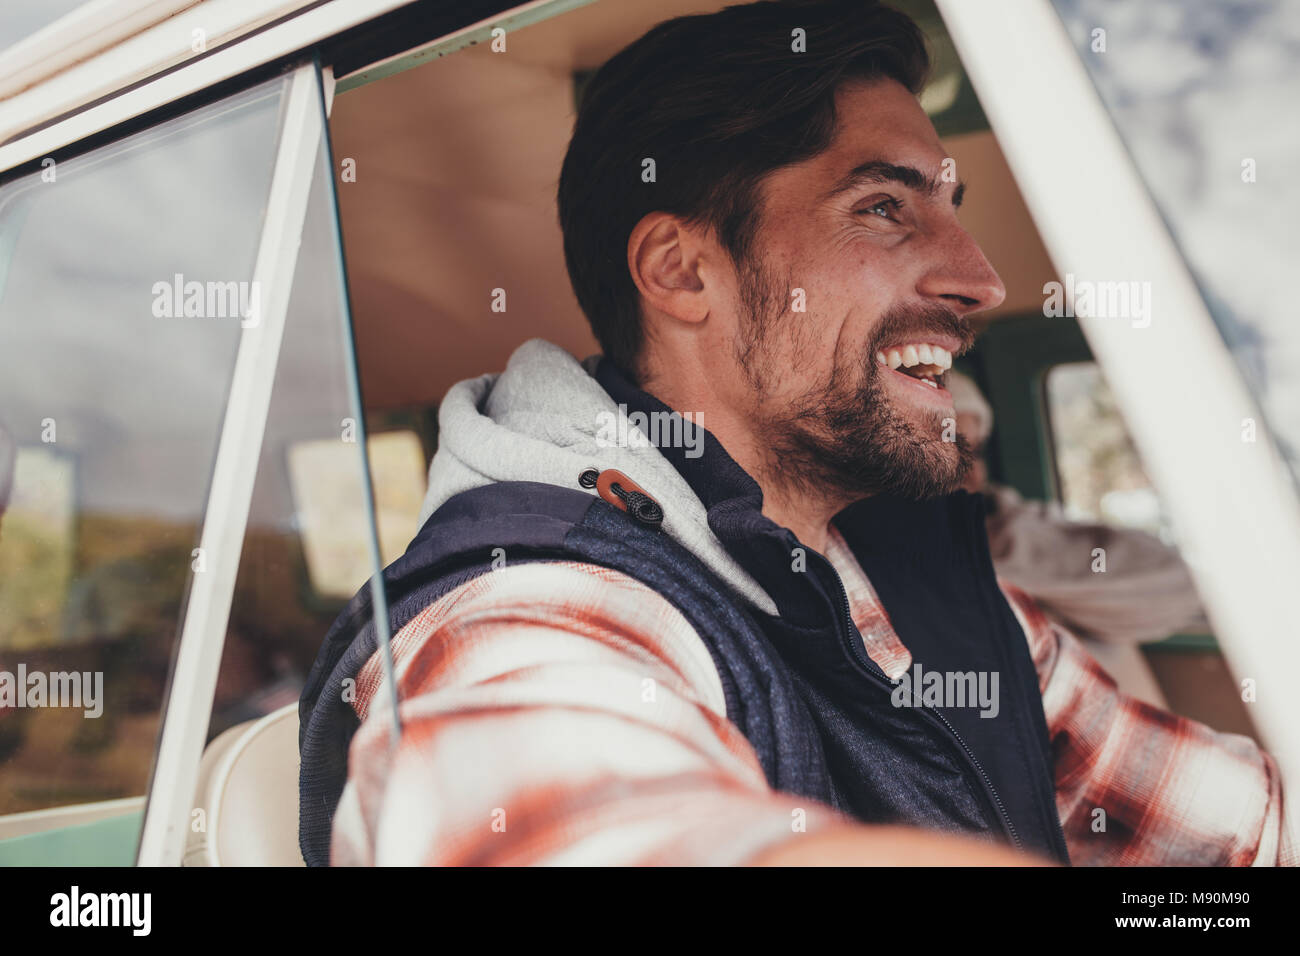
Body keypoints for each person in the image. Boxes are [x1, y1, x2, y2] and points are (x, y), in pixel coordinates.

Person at [299, 0, 1293, 866]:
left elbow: (1227, 826)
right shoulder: (525, 604)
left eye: (951, 205)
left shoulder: (918, 575)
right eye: (882, 207)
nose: (979, 280)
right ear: (682, 273)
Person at [947, 371, 1210, 646]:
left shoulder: (1008, 522)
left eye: (976, 453)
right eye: (946, 450)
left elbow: (1176, 582)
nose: (972, 473)